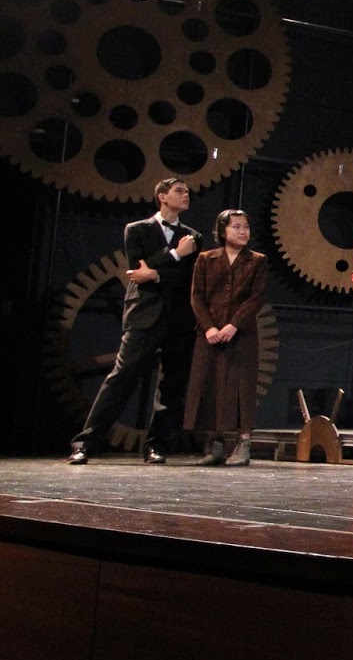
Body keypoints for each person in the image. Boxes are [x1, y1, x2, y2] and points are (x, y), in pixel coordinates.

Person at [69, 178, 201, 465]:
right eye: (179, 191)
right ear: (162, 197)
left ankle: (156, 445)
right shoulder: (137, 230)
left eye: (187, 191)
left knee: (172, 385)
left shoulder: (193, 237)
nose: (185, 195)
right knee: (122, 376)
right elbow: (136, 269)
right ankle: (86, 442)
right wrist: (176, 254)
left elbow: (185, 278)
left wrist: (156, 274)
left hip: (178, 317)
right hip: (144, 313)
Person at [186, 209, 269, 467]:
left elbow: (256, 298)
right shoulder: (206, 259)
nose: (243, 231)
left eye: (245, 226)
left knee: (242, 386)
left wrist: (234, 324)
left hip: (242, 334)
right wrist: (209, 327)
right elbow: (197, 296)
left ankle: (243, 444)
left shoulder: (257, 260)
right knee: (210, 385)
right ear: (222, 231)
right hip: (209, 334)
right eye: (236, 227)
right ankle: (216, 445)